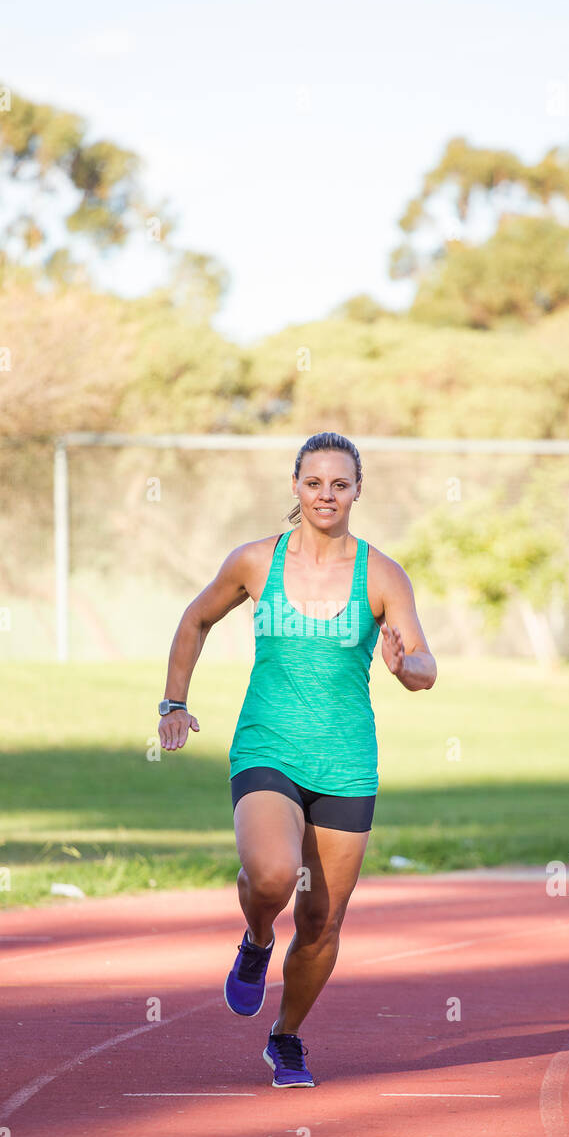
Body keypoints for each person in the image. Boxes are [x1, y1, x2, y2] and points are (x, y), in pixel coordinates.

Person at [157, 432, 436, 1087]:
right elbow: (195, 620)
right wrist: (173, 704)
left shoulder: (382, 574)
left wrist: (406, 666)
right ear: (296, 487)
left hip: (345, 764)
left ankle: (286, 1038)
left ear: (357, 490)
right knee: (275, 874)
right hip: (267, 748)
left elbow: (424, 667)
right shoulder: (256, 562)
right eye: (315, 483)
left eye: (340, 484)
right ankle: (256, 940)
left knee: (321, 920)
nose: (327, 495)